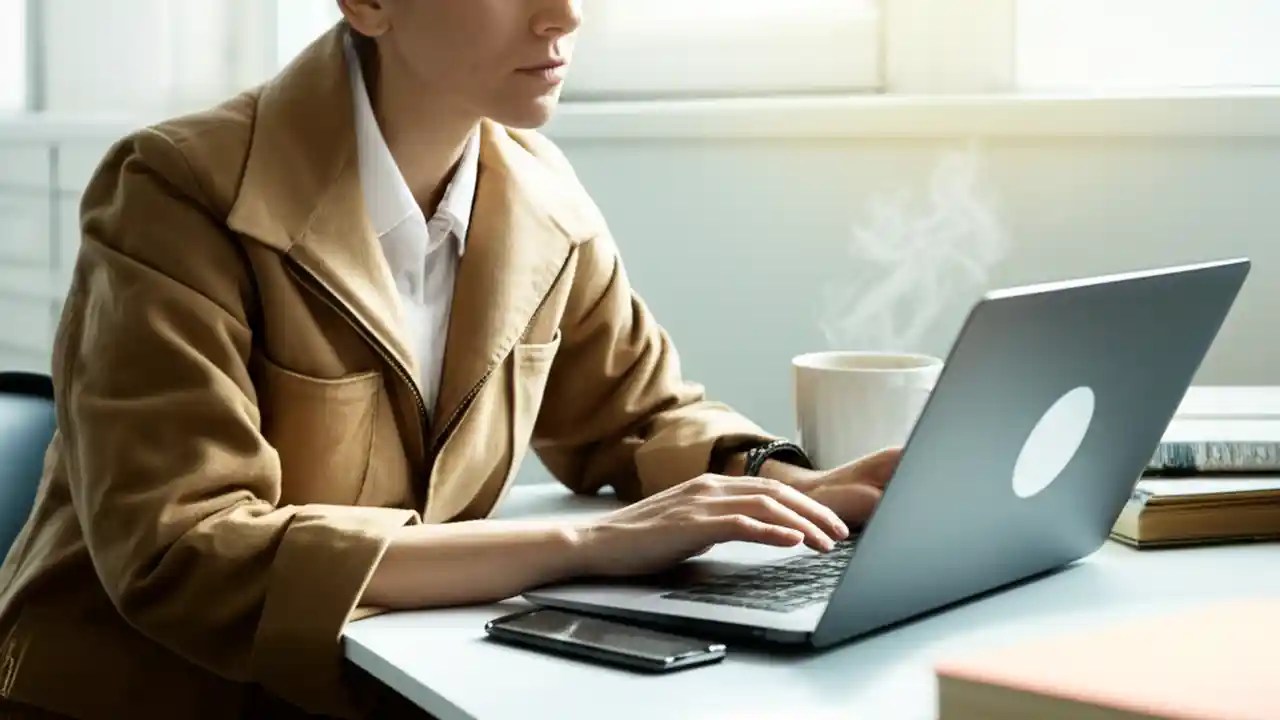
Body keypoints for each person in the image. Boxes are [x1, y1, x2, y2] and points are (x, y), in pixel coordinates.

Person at [0, 1, 899, 718]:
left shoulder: (540, 194)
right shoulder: (177, 191)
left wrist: (785, 483)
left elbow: (639, 415)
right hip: (152, 697)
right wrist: (585, 544)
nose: (565, 15)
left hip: (383, 685)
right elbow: (184, 549)